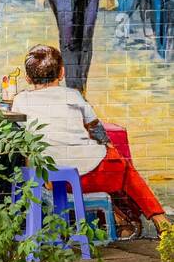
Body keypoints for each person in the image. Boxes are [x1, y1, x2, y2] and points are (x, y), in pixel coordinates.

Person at [13, 44, 172, 242]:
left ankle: (119, 220)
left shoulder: (20, 101)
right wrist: (107, 145)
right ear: (62, 73)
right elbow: (95, 126)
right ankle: (157, 218)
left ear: (27, 78)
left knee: (112, 164)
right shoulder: (73, 95)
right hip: (95, 174)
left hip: (58, 182)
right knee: (122, 166)